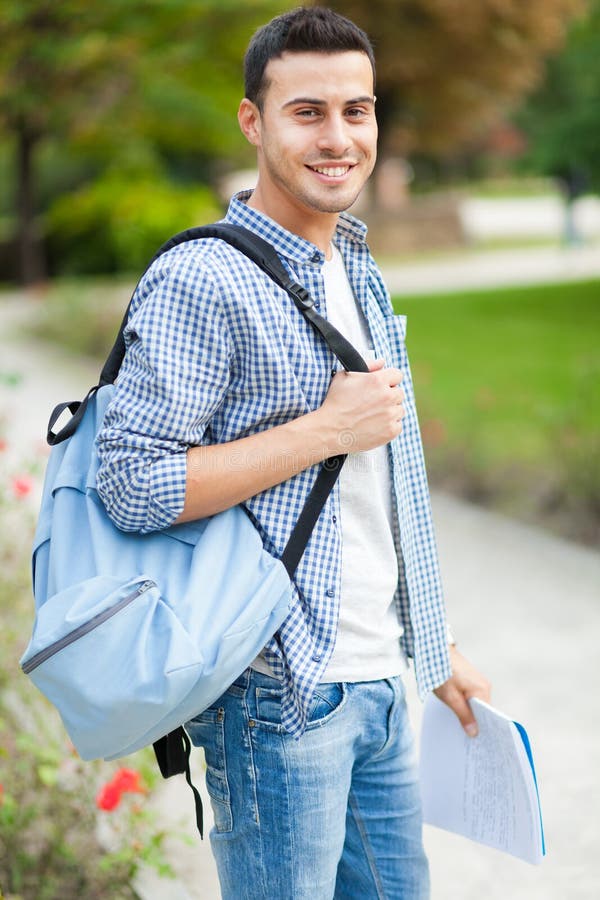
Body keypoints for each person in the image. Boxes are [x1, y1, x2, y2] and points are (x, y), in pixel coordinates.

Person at [96, 7, 490, 898]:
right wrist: (324, 430)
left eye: (358, 110)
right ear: (253, 121)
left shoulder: (357, 262)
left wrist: (434, 643)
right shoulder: (202, 279)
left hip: (377, 684)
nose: (338, 136)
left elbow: (383, 482)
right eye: (307, 111)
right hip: (277, 697)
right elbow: (133, 482)